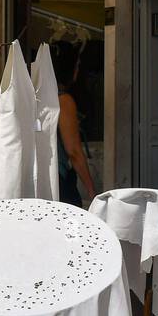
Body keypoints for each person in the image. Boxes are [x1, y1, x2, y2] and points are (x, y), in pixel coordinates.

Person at [49, 41, 97, 207]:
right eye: (76, 64)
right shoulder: (63, 101)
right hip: (60, 181)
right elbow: (74, 151)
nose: (78, 69)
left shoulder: (36, 96)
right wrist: (91, 190)